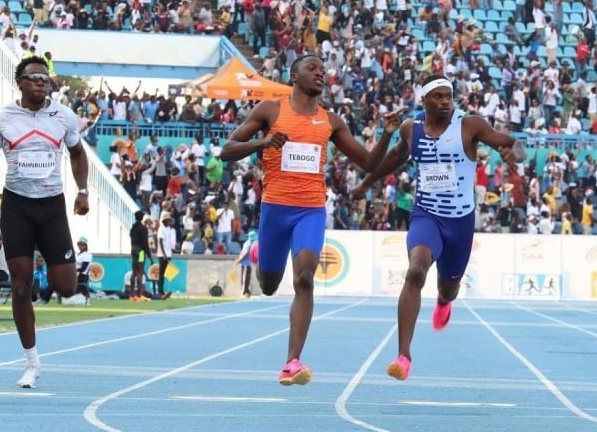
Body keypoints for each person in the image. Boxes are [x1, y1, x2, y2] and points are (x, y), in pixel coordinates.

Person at [220, 54, 405, 385]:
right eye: (312, 68)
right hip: (275, 210)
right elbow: (227, 150)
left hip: (310, 211)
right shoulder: (269, 110)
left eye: (323, 70)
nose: (320, 73)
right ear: (294, 76)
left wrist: (387, 134)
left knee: (304, 278)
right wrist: (264, 141)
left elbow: (368, 163)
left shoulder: (331, 121)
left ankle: (292, 362)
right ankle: (265, 261)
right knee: (269, 285)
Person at [352, 74, 525, 381]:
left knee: (448, 287)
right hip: (426, 215)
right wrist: (366, 184)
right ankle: (403, 356)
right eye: (439, 96)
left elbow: (514, 144)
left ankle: (444, 302)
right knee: (415, 271)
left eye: (449, 96)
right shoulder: (411, 129)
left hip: (459, 222)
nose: (446, 101)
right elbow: (394, 158)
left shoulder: (469, 125)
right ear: (425, 101)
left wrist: (515, 155)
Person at [0, 55, 89, 388]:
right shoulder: (2, 117)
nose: (41, 83)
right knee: (20, 286)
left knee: (66, 286)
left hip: (52, 206)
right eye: (34, 77)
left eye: (45, 78)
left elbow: (78, 153)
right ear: (20, 82)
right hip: (17, 206)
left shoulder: (64, 116)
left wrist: (83, 191)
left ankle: (42, 280)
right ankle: (31, 362)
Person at [130, 211, 153, 302]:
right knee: (140, 272)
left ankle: (132, 295)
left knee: (134, 272)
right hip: (141, 251)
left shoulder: (133, 228)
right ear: (142, 217)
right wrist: (149, 256)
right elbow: (145, 243)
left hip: (133, 249)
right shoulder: (143, 229)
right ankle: (139, 295)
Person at [155, 212, 175, 300]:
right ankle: (160, 292)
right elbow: (160, 241)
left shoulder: (168, 229)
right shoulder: (161, 229)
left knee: (165, 274)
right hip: (162, 254)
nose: (170, 222)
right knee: (161, 274)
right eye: (169, 220)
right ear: (165, 220)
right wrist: (164, 254)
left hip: (168, 253)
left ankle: (162, 291)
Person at [235, 230, 257, 297]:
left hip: (248, 263)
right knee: (245, 278)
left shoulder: (247, 243)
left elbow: (242, 251)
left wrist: (238, 259)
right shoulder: (249, 244)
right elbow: (245, 253)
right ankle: (244, 292)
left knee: (247, 278)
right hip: (246, 264)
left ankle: (247, 291)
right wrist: (239, 261)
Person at [73, 237, 92, 303]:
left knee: (82, 287)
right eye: (79, 244)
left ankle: (87, 300)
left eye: (82, 245)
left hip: (83, 275)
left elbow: (84, 268)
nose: (80, 246)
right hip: (75, 274)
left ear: (86, 246)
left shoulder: (87, 255)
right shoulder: (76, 254)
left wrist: (74, 270)